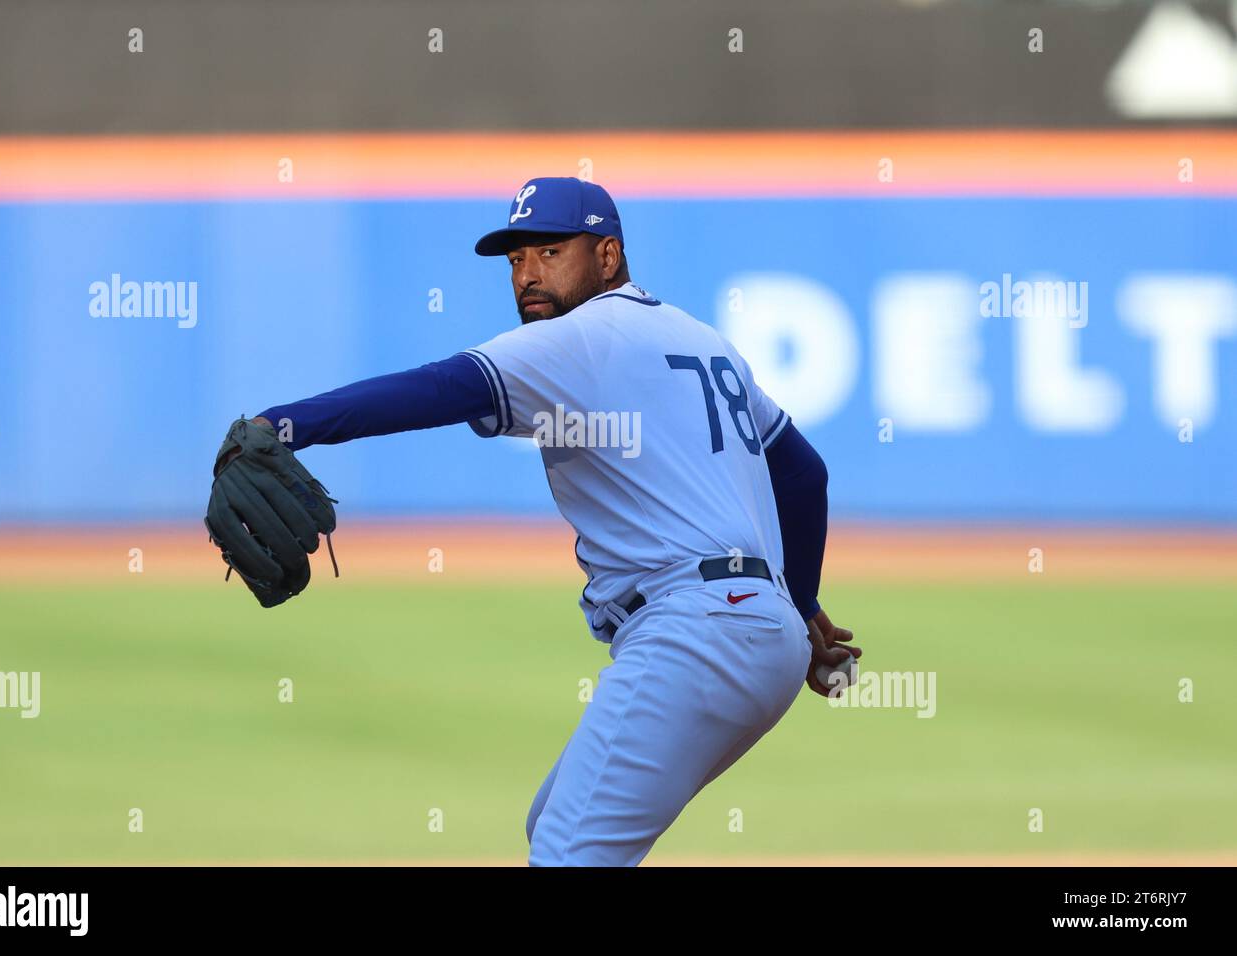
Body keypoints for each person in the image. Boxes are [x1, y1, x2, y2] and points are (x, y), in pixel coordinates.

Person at [209, 176, 860, 866]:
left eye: (551, 252)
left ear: (607, 256)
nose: (528, 275)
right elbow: (802, 471)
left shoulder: (578, 340)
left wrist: (281, 425)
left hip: (694, 633)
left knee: (566, 854)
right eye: (517, 260)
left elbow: (436, 389)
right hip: (759, 636)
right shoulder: (703, 340)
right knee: (553, 823)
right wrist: (800, 604)